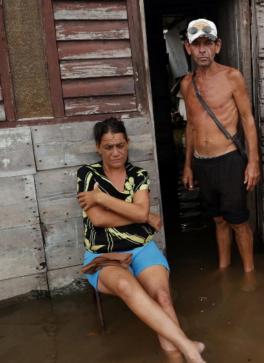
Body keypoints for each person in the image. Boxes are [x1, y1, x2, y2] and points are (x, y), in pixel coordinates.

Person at [77, 117, 205, 362]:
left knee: (163, 297)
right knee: (127, 286)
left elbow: (139, 213)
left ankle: (180, 357)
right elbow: (98, 221)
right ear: (97, 147)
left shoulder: (138, 175)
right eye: (108, 147)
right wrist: (142, 216)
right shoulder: (87, 174)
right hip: (104, 254)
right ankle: (188, 347)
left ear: (128, 143)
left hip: (142, 247)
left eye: (120, 145)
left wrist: (103, 199)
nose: (116, 152)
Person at [180, 18, 260, 272]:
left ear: (218, 46)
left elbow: (247, 119)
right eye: (197, 44)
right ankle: (223, 270)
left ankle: (250, 275)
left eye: (208, 43)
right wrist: (188, 165)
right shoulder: (186, 84)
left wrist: (254, 163)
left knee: (237, 221)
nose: (202, 49)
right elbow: (191, 125)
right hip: (203, 164)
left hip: (229, 161)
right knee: (218, 220)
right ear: (187, 48)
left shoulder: (231, 77)